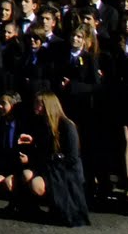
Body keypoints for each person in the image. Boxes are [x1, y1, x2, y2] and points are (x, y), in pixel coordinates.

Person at [20, 92, 90, 227]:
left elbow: (72, 157)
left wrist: (50, 160)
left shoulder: (67, 126)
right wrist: (32, 145)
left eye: (38, 104)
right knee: (25, 174)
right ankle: (33, 209)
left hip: (64, 170)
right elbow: (42, 151)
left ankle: (57, 209)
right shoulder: (41, 124)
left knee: (36, 184)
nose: (35, 106)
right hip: (48, 166)